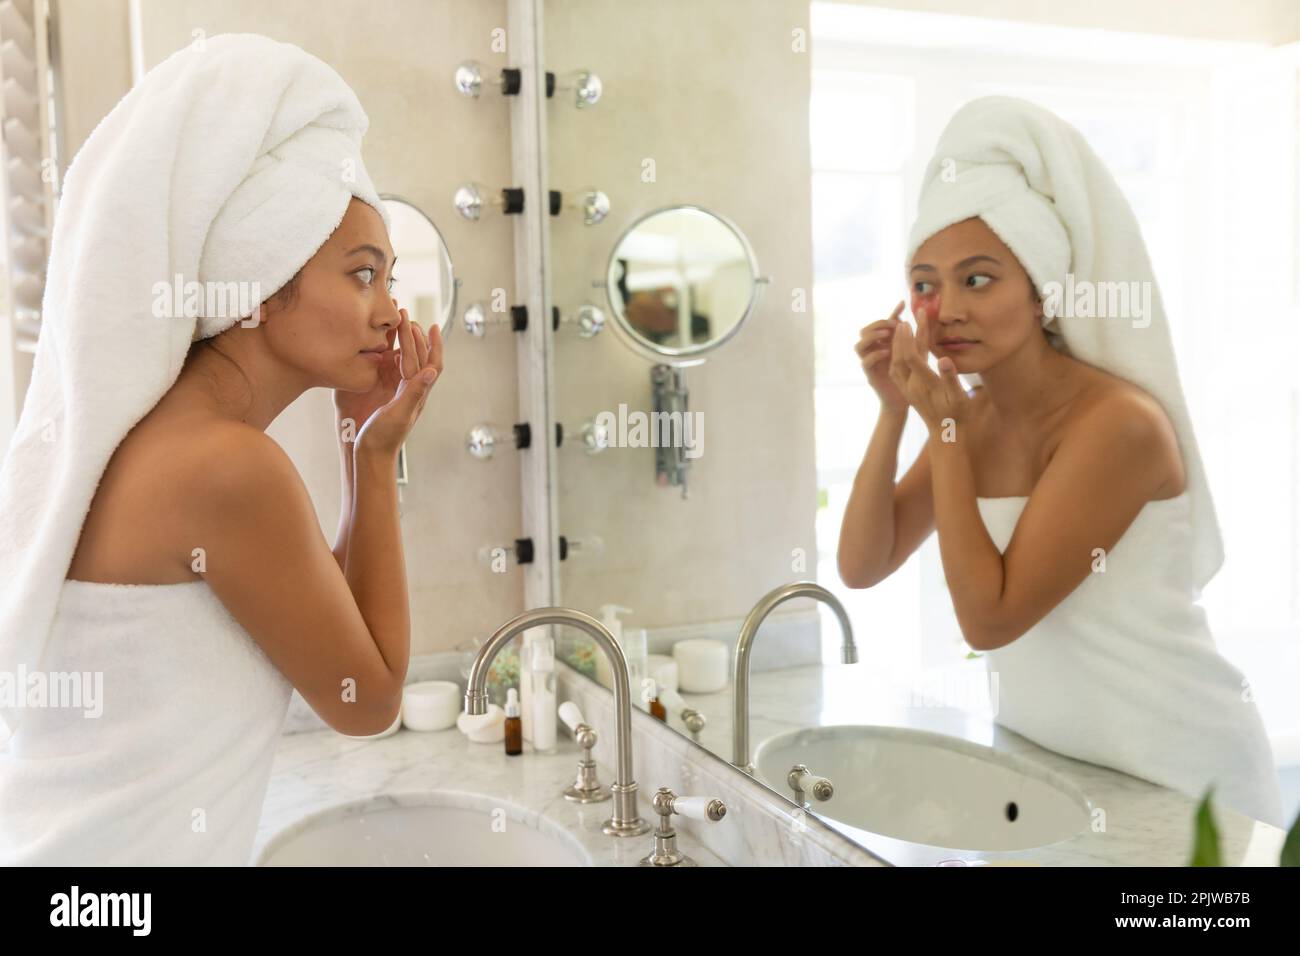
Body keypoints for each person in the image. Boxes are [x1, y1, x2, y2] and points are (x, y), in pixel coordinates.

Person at [0, 34, 440, 864]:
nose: (391, 309)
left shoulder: (173, 443)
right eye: (361, 274)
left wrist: (362, 442)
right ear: (263, 278)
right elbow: (368, 697)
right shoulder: (225, 469)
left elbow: (331, 636)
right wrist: (374, 465)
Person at [837, 96, 1284, 828]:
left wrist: (945, 435)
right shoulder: (970, 419)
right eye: (925, 283)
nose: (944, 307)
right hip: (1052, 773)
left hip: (1180, 778)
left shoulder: (1120, 427)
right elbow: (862, 564)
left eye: (978, 279)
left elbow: (989, 620)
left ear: (1043, 292)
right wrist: (893, 413)